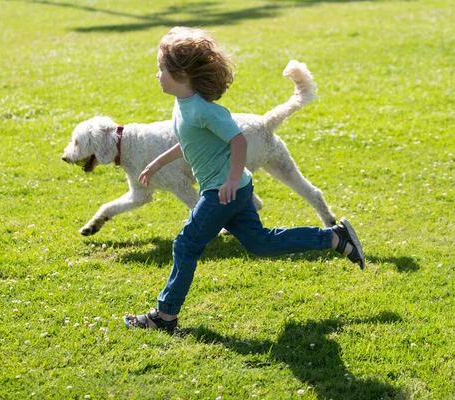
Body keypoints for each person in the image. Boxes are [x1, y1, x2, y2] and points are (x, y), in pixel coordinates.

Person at [124, 27, 364, 333]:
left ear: (182, 74)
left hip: (222, 192)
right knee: (261, 243)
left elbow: (238, 140)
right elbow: (189, 142)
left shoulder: (203, 109)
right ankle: (335, 238)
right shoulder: (184, 106)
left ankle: (164, 317)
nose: (157, 75)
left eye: (161, 69)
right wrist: (156, 163)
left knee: (185, 246)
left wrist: (230, 180)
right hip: (233, 189)